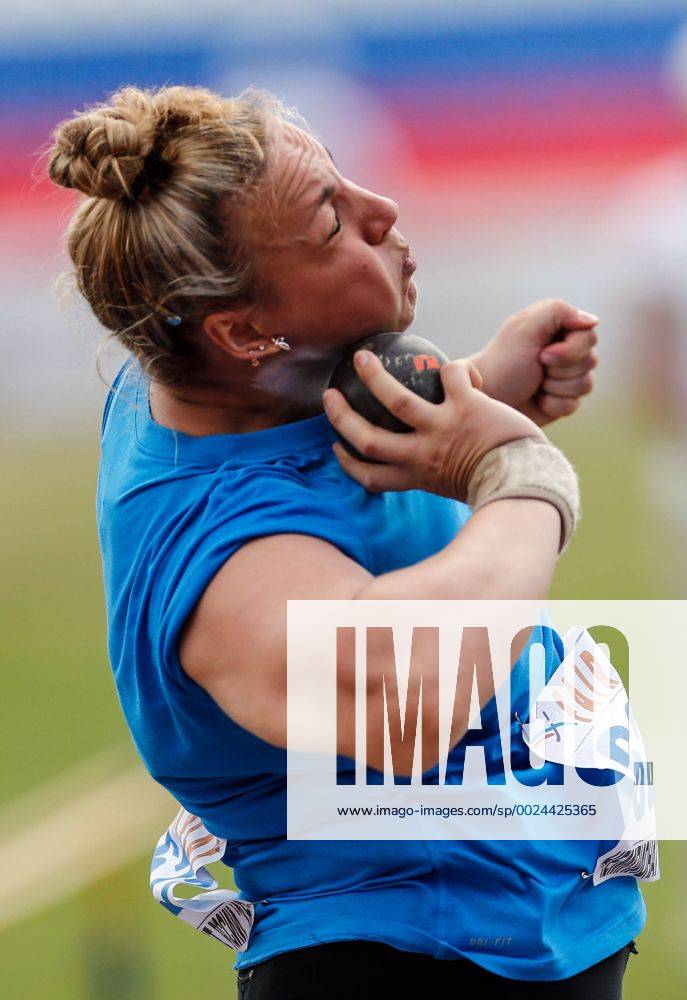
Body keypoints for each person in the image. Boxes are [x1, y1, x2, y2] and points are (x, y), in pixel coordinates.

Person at [48, 85, 642, 999]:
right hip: (404, 962)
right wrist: (519, 475)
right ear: (244, 331)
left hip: (504, 928)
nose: (384, 210)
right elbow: (416, 692)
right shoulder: (225, 560)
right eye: (331, 225)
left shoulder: (201, 381)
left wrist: (475, 391)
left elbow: (302, 462)